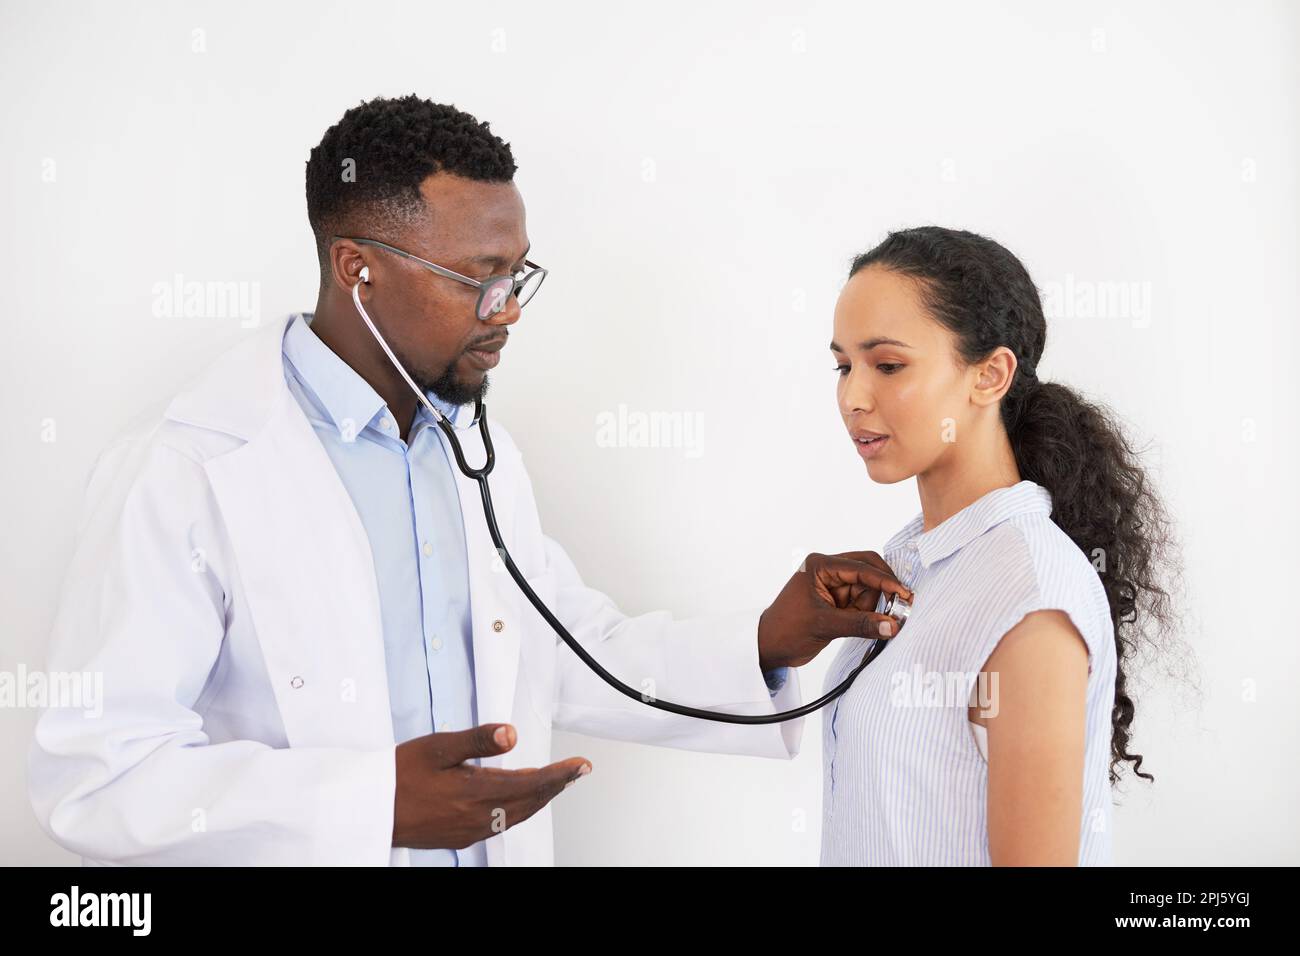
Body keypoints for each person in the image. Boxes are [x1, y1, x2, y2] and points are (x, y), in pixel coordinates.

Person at [27, 95, 909, 867]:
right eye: (478, 278)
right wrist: (366, 804)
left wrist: (767, 641)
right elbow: (98, 776)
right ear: (356, 268)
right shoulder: (189, 470)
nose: (511, 308)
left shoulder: (469, 448)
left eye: (517, 271)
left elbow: (557, 649)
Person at [821, 226, 1179, 865]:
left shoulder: (1028, 600)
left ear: (990, 375)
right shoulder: (918, 565)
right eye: (844, 365)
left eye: (888, 365)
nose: (853, 397)